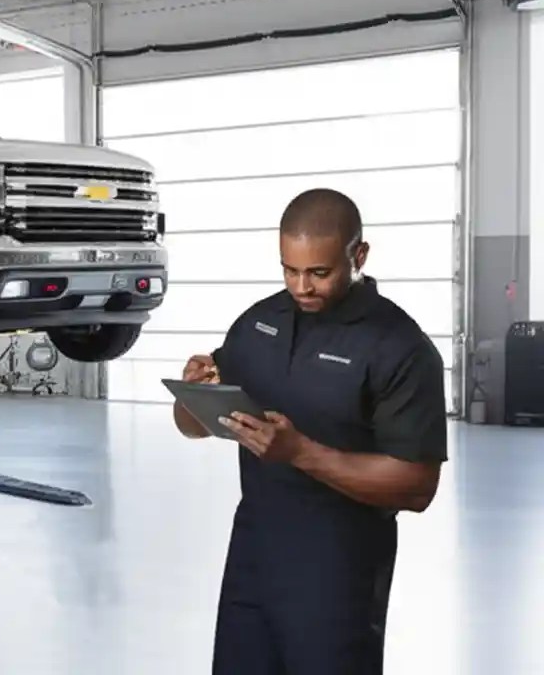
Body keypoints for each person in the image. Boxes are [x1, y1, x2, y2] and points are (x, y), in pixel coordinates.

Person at [173, 188, 448, 674]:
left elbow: (417, 486)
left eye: (319, 272)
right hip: (252, 563)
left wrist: (301, 453)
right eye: (289, 269)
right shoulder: (258, 323)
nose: (302, 286)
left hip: (339, 578)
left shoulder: (400, 348)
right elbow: (193, 426)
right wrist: (192, 396)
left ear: (357, 256)